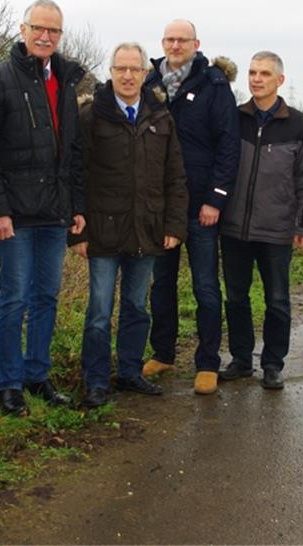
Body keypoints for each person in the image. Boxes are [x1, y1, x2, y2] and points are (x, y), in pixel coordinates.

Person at [0, 0, 86, 416]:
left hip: (54, 212)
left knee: (46, 297)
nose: (45, 36)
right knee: (14, 299)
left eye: (53, 30)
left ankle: (38, 375)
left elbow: (73, 150)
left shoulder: (66, 80)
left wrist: (76, 205)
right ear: (23, 30)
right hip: (15, 215)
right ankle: (9, 384)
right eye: (38, 28)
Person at [70, 42, 189, 408]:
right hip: (103, 231)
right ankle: (95, 380)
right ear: (111, 72)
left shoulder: (160, 116)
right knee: (99, 312)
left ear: (144, 73)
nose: (127, 75)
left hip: (147, 229)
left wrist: (174, 226)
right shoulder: (92, 114)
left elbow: (175, 175)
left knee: (137, 306)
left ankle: (130, 372)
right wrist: (79, 231)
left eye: (134, 69)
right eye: (120, 69)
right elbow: (76, 174)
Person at [143, 19, 240, 395]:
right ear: (162, 43)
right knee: (161, 284)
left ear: (196, 44)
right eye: (170, 39)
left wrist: (216, 199)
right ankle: (163, 353)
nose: (176, 45)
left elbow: (228, 145)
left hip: (201, 206)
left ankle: (208, 362)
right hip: (161, 206)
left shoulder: (214, 83)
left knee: (205, 287)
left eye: (183, 39)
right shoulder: (149, 82)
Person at [218, 51, 303, 390]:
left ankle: (273, 364)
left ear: (280, 80)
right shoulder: (235, 118)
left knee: (277, 300)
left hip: (277, 230)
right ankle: (240, 359)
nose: (256, 79)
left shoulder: (300, 126)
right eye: (252, 72)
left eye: (264, 73)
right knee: (236, 298)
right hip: (234, 227)